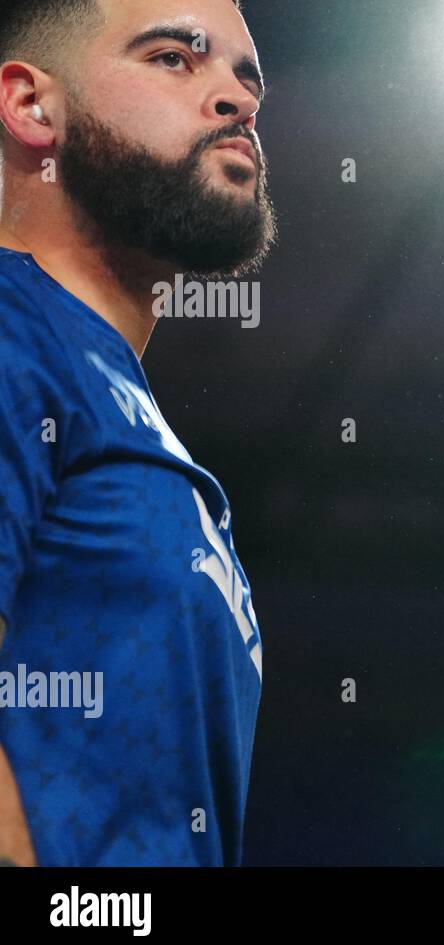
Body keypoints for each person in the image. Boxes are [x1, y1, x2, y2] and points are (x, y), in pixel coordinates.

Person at [0, 0, 274, 865]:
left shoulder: (127, 415)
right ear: (31, 107)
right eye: (174, 59)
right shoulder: (11, 330)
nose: (237, 99)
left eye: (245, 75)